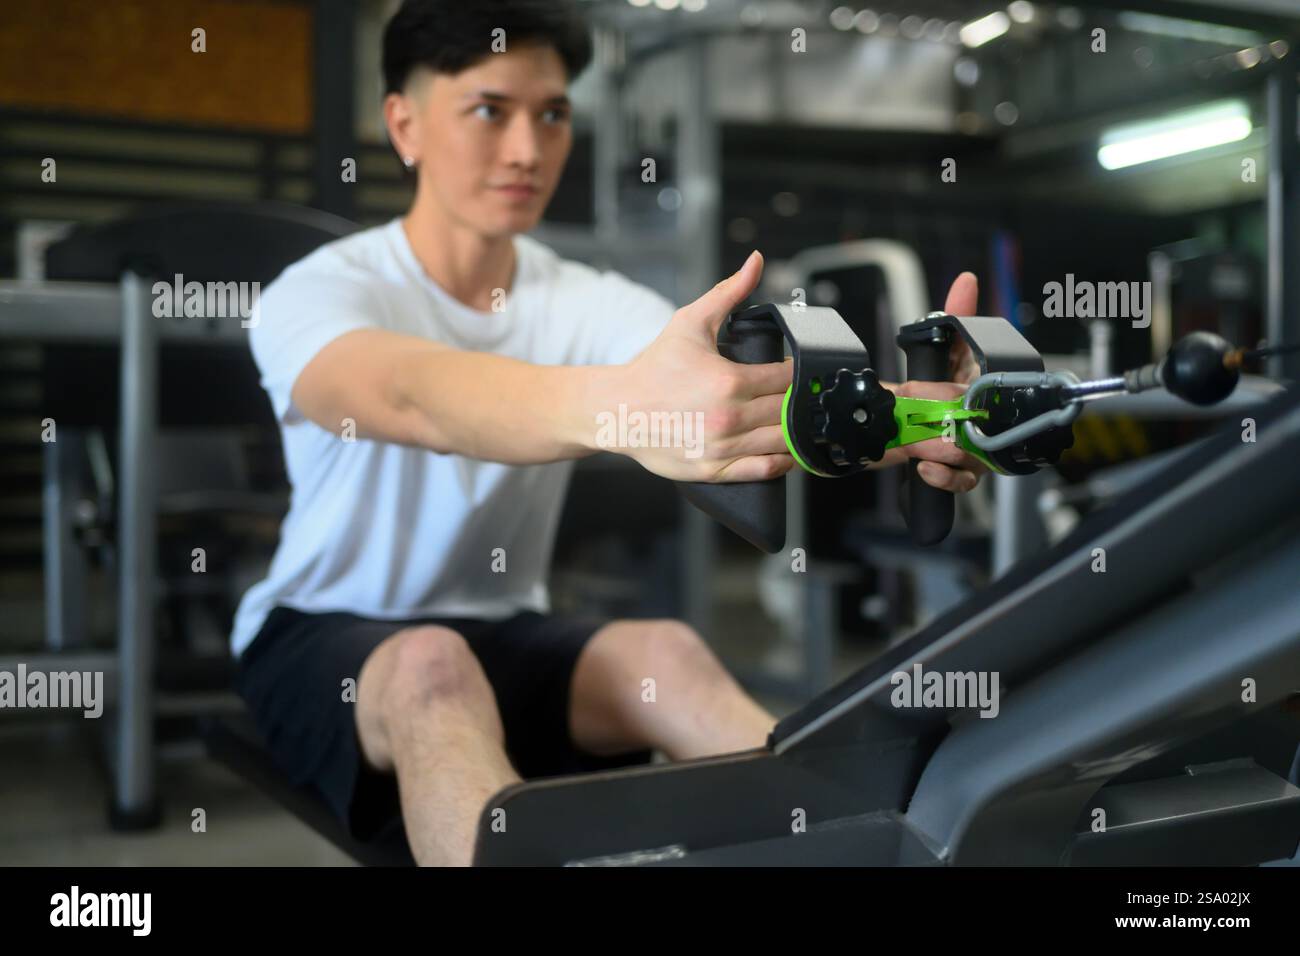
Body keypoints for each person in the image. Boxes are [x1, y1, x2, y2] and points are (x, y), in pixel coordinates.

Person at [230, 0, 985, 866]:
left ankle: (882, 851)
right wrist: (625, 411)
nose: (528, 149)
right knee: (431, 667)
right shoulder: (321, 289)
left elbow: (732, 400)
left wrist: (914, 416)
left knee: (664, 650)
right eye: (491, 110)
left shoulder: (583, 298)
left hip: (504, 627)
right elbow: (406, 399)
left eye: (552, 114)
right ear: (404, 124)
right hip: (321, 635)